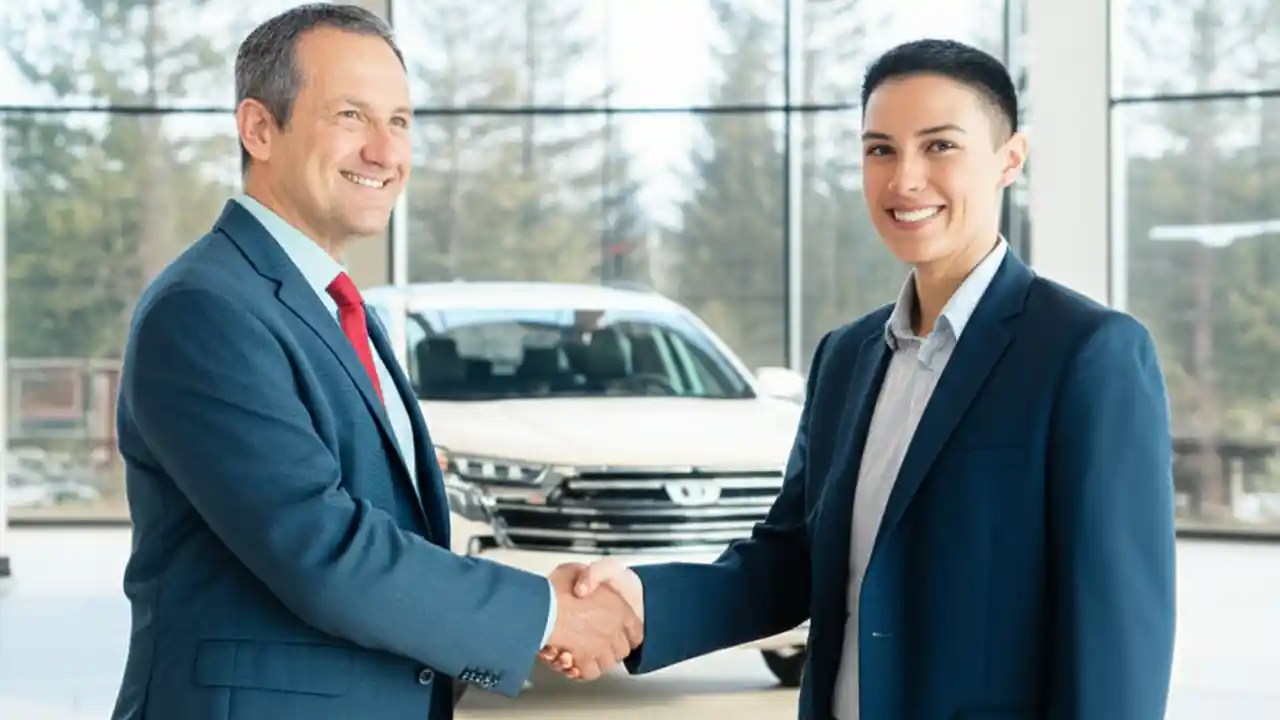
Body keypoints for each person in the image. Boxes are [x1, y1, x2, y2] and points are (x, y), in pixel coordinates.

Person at [547, 38, 1177, 720]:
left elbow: (1118, 639)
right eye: (880, 149)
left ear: (1008, 160)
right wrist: (643, 600)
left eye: (939, 147)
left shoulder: (1087, 354)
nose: (904, 179)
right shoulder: (846, 357)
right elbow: (793, 564)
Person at [109, 5, 639, 720]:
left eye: (400, 122)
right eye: (351, 116)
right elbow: (322, 548)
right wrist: (547, 614)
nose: (385, 153)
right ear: (259, 128)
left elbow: (388, 532)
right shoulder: (206, 309)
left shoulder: (332, 304)